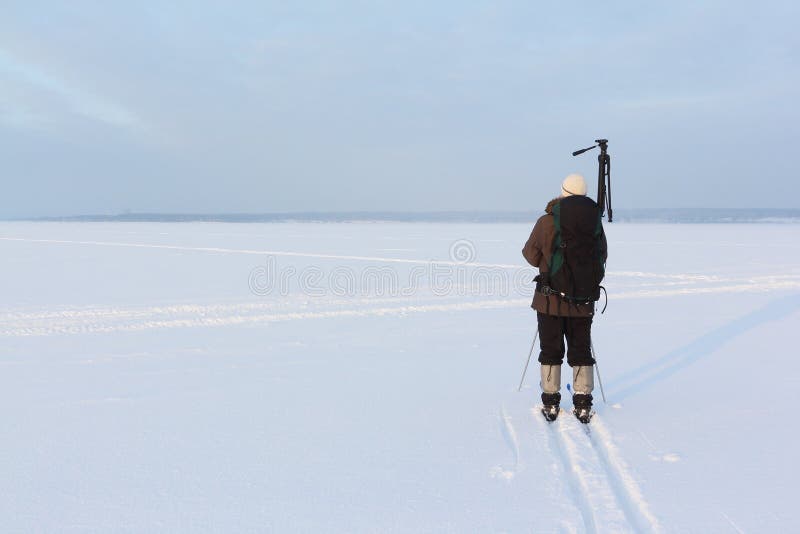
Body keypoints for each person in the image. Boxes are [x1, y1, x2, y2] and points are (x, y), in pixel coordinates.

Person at [521, 174, 607, 422]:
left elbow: (529, 255)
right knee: (581, 349)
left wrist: (550, 266)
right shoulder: (594, 223)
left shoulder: (547, 221)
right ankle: (583, 402)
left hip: (550, 301)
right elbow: (603, 255)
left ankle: (550, 403)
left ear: (562, 192)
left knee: (550, 349)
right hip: (583, 302)